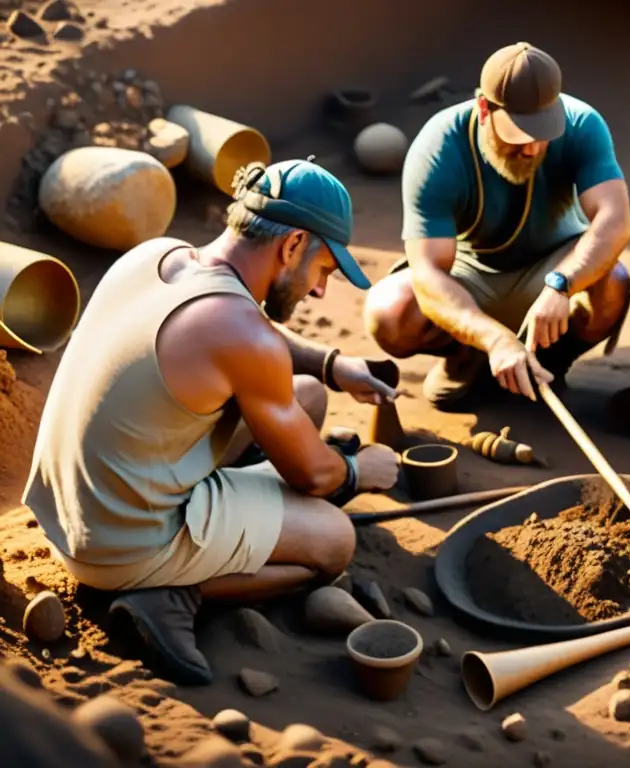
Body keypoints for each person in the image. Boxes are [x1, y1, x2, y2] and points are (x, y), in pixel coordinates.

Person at [22, 157, 402, 685]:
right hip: (115, 546)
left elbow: (240, 334)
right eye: (324, 271)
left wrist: (332, 365)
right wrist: (362, 472)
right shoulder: (241, 334)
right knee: (334, 540)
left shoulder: (159, 256)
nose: (319, 290)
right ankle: (172, 592)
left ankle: (233, 513)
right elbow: (315, 476)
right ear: (291, 245)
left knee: (308, 394)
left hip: (70, 505)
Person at [364, 42, 630, 410]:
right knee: (389, 312)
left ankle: (550, 364)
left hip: (551, 269)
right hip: (470, 277)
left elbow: (615, 221)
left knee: (611, 280)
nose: (532, 149)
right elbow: (427, 272)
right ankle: (466, 359)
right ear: (485, 109)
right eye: (520, 134)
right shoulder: (439, 145)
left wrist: (561, 285)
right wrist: (493, 339)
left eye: (543, 133)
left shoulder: (582, 123)